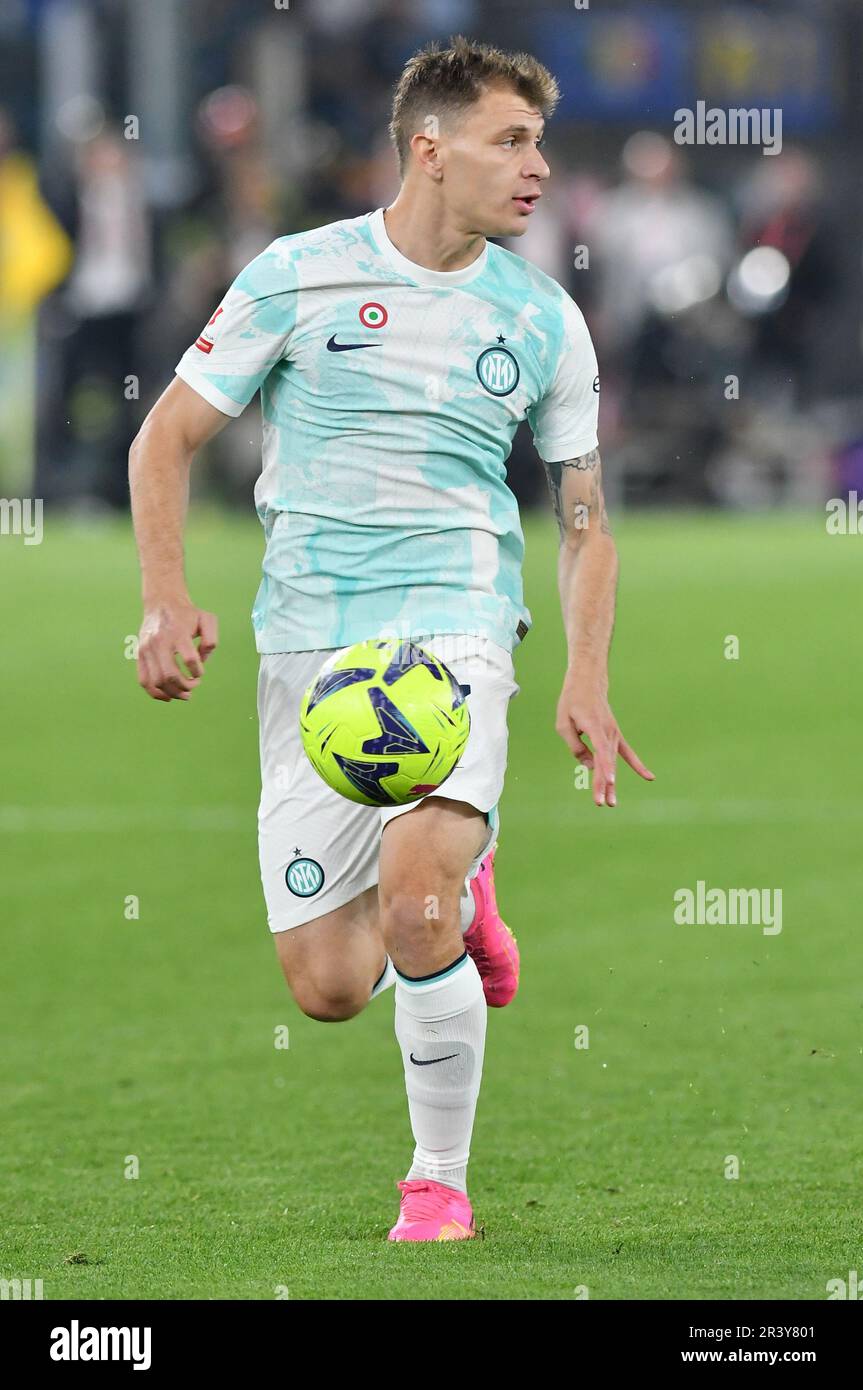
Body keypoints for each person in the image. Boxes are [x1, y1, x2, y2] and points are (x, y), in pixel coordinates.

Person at [129, 35, 653, 1243]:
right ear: (429, 148)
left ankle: (437, 1182)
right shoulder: (295, 277)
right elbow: (162, 441)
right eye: (507, 141)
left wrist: (583, 668)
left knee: (410, 896)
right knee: (326, 988)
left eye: (538, 141)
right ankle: (465, 901)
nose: (534, 168)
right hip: (308, 643)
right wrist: (168, 597)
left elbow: (584, 522)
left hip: (457, 627)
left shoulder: (541, 319)